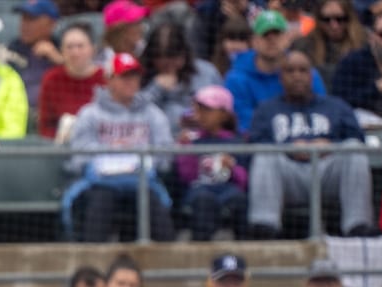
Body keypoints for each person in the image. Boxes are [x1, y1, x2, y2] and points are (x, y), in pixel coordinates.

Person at [248, 50, 375, 239]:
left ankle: (357, 226)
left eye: (303, 70)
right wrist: (289, 148)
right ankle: (264, 227)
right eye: (290, 71)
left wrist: (330, 144)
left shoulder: (335, 106)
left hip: (328, 172)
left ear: (312, 75)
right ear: (281, 77)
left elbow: (358, 138)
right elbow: (255, 143)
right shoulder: (267, 110)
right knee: (264, 154)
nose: (297, 76)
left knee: (353, 149)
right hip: (288, 175)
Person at [65, 53, 177, 243]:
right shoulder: (90, 113)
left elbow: (165, 155)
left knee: (154, 207)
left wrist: (139, 157)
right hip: (101, 184)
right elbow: (78, 156)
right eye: (124, 77)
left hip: (142, 182)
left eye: (134, 76)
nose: (130, 82)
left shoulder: (153, 114)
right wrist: (110, 150)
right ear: (109, 80)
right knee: (100, 202)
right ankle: (93, 264)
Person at [225, 10, 325, 133]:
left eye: (277, 34)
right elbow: (243, 122)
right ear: (254, 41)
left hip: (304, 139)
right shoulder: (236, 78)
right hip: (258, 145)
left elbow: (321, 112)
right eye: (265, 35)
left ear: (287, 39)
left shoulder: (306, 72)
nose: (272, 40)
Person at [177, 84, 248, 242]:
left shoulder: (237, 141)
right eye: (199, 109)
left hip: (227, 188)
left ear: (224, 114)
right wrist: (185, 149)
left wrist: (232, 168)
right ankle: (200, 250)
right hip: (199, 188)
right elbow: (185, 176)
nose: (201, 115)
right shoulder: (192, 140)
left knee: (239, 199)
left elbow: (243, 181)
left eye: (208, 110)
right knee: (203, 199)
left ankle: (244, 249)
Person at [139, 21, 223, 130]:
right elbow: (134, 111)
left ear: (184, 52)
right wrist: (156, 88)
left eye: (172, 56)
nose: (168, 63)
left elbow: (223, 107)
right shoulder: (140, 75)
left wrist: (202, 116)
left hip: (202, 139)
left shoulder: (206, 72)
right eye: (160, 57)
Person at [37, 21, 104, 138]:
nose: (75, 52)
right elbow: (45, 124)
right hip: (61, 145)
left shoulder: (105, 78)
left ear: (93, 49)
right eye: (69, 47)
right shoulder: (51, 79)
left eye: (80, 46)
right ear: (61, 51)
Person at [293, 0, 366, 86]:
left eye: (340, 19)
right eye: (326, 20)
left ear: (349, 18)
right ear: (318, 20)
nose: (334, 25)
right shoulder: (303, 45)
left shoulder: (365, 42)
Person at [6, 0, 60, 113]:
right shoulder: (12, 49)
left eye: (31, 19)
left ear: (51, 24)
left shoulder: (63, 48)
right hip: (17, 112)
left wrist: (58, 60)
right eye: (23, 18)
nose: (25, 25)